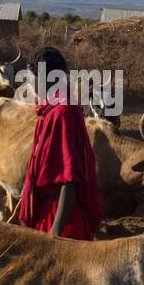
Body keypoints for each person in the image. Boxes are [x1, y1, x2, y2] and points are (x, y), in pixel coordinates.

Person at [17, 46, 103, 240]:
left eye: (29, 77)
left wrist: (55, 235)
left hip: (61, 221)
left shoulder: (62, 112)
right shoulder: (52, 110)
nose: (28, 83)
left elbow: (70, 178)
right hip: (50, 215)